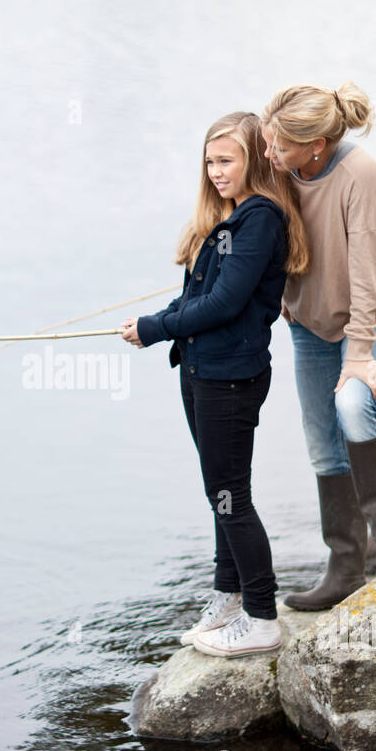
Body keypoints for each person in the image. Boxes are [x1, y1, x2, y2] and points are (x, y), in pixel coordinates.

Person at [121, 112, 309, 655]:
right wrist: (154, 321)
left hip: (231, 379)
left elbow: (226, 305)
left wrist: (155, 330)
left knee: (233, 498)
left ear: (253, 159)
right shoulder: (225, 221)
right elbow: (196, 297)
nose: (216, 171)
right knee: (219, 492)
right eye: (209, 161)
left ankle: (262, 617)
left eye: (226, 160)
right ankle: (228, 593)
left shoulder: (260, 221)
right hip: (200, 371)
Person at [260, 80, 376, 613]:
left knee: (352, 404)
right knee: (321, 443)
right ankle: (344, 568)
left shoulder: (360, 173)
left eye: (278, 146)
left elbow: (365, 274)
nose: (269, 154)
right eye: (267, 143)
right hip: (310, 327)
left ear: (316, 145)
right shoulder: (282, 170)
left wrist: (358, 356)